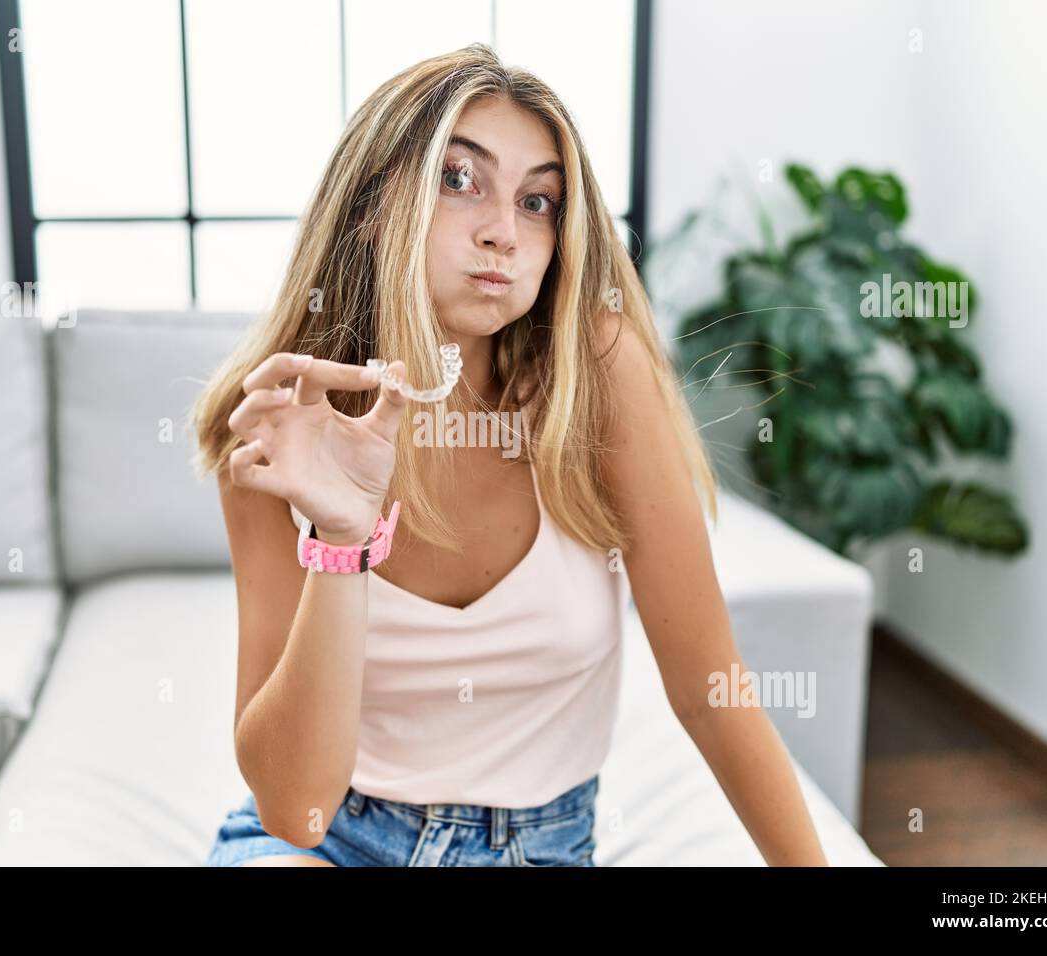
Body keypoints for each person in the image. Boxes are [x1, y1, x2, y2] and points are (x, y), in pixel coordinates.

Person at [189, 43, 827, 867]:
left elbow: (712, 685)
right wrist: (340, 542)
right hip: (331, 843)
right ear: (375, 206)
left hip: (544, 847)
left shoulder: (597, 373)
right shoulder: (285, 425)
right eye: (459, 180)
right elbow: (296, 808)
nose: (503, 233)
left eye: (538, 202)